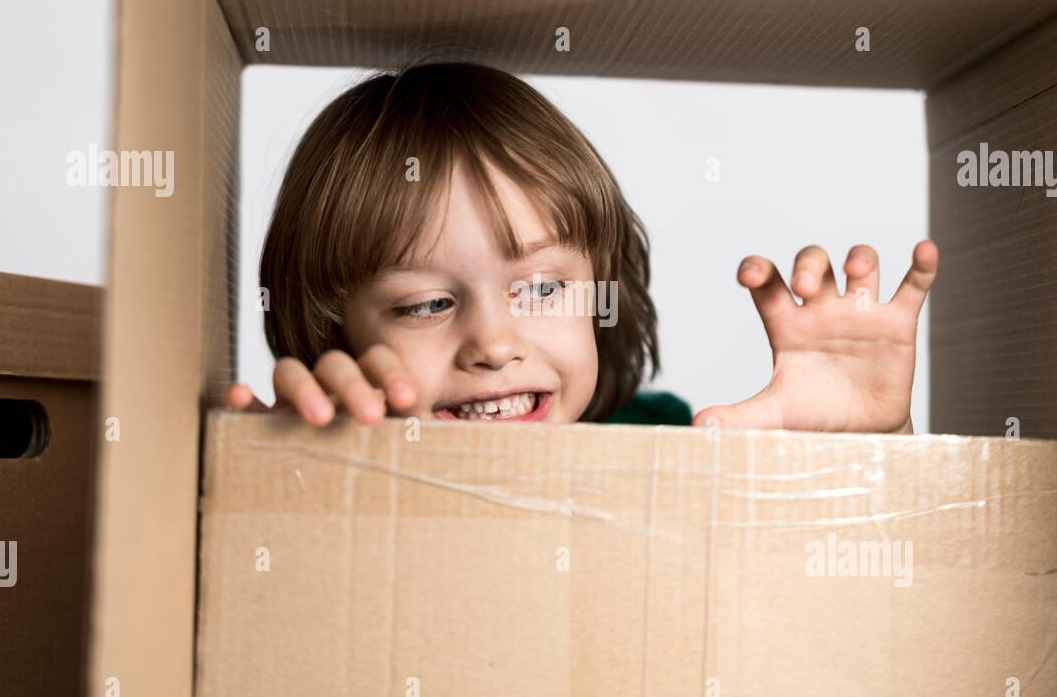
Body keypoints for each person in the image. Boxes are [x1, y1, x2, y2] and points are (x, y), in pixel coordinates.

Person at [224, 60, 937, 433]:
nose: (494, 343)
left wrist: (868, 445)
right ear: (332, 335)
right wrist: (292, 461)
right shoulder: (333, 443)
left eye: (539, 289)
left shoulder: (662, 442)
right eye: (426, 303)